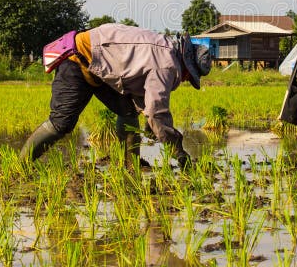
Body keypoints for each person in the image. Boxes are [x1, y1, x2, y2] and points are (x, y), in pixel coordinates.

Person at [21, 23, 212, 168]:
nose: (187, 80)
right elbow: (156, 111)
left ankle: (131, 166)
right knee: (62, 122)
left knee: (128, 111)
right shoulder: (168, 63)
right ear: (187, 65)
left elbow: (142, 90)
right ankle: (19, 165)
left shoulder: (165, 47)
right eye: (190, 76)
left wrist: (152, 124)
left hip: (102, 67)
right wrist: (178, 152)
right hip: (78, 59)